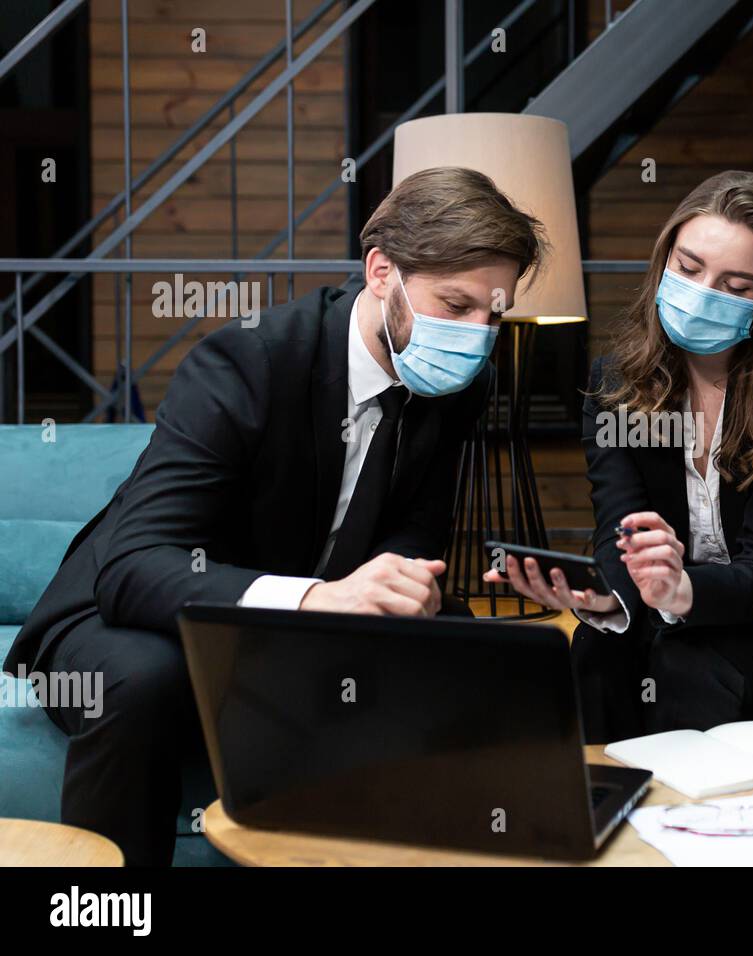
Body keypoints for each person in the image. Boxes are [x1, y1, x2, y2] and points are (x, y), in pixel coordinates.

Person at [2, 166, 547, 866]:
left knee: (474, 654)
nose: (477, 335)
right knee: (145, 682)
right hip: (129, 614)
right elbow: (137, 563)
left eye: (494, 313)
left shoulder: (460, 383)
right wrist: (319, 599)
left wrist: (406, 577)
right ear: (382, 272)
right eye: (456, 305)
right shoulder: (249, 361)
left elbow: (416, 521)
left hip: (306, 622)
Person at [487, 170, 753, 742]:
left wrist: (680, 590)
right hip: (672, 610)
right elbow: (620, 526)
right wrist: (605, 599)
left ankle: (696, 822)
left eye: (737, 286)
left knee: (690, 666)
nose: (705, 293)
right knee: (593, 647)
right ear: (665, 260)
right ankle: (605, 809)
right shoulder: (616, 386)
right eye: (689, 269)